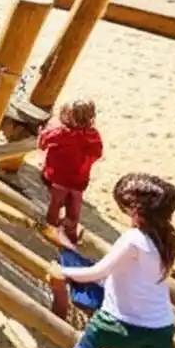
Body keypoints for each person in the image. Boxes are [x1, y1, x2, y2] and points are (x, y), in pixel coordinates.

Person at [46, 173, 175, 348]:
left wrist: (64, 272)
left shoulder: (133, 238)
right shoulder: (165, 238)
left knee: (84, 347)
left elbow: (98, 271)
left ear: (136, 212)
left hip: (119, 321)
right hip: (160, 328)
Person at [39, 99, 104, 243]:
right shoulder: (93, 135)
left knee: (55, 203)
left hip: (59, 177)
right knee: (74, 206)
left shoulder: (62, 133)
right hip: (79, 179)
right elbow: (98, 153)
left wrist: (42, 132)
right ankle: (71, 232)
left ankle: (51, 227)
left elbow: (43, 142)